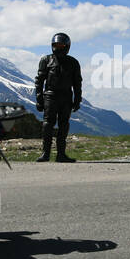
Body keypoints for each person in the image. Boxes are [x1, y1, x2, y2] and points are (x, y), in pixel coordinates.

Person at [33, 32, 82, 163]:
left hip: (66, 97)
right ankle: (46, 153)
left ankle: (61, 154)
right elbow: (39, 81)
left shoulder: (73, 62)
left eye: (61, 45)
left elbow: (77, 83)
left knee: (63, 125)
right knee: (48, 124)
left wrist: (77, 99)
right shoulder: (45, 60)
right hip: (50, 96)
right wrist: (39, 99)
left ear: (67, 46)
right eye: (56, 45)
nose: (58, 47)